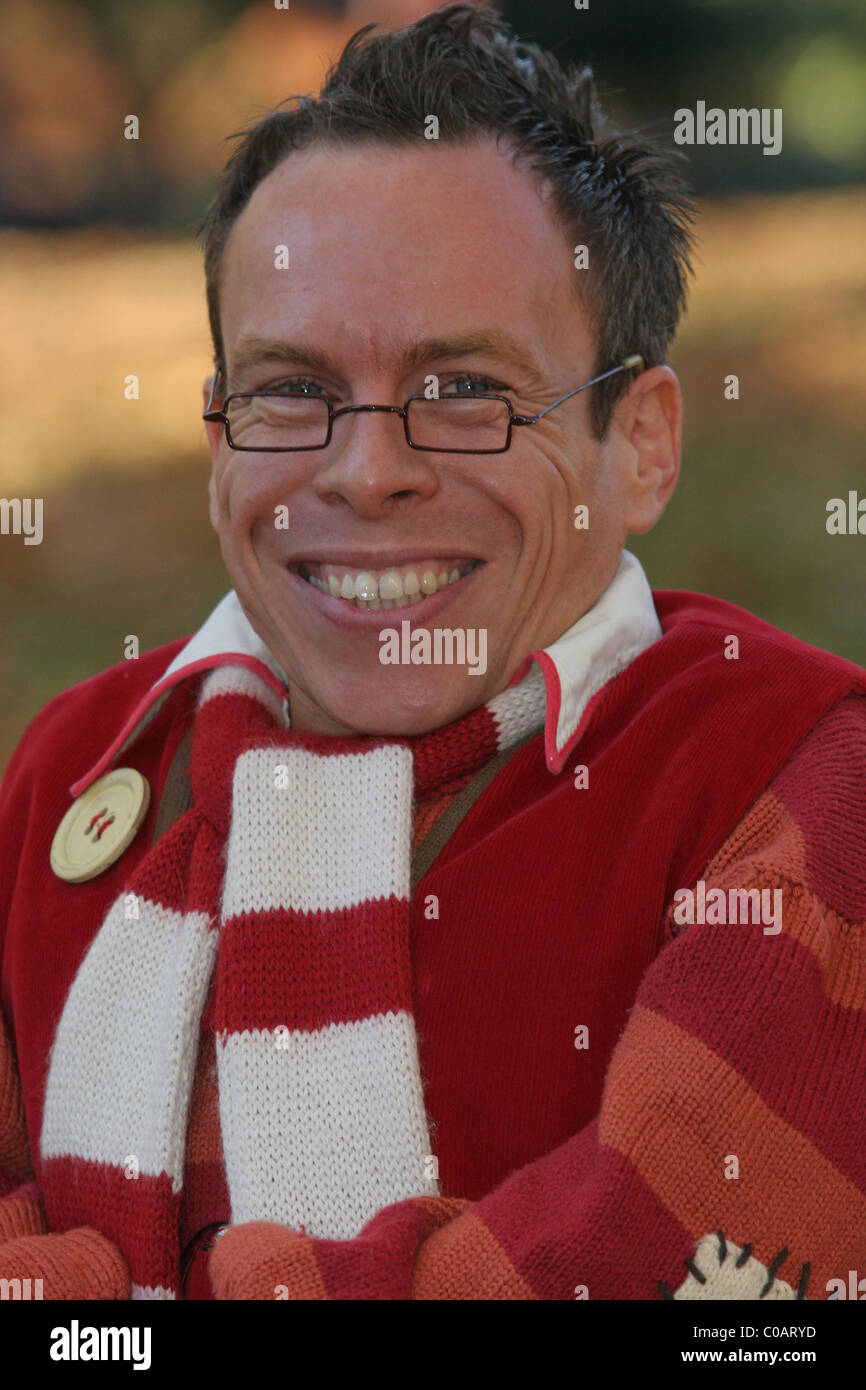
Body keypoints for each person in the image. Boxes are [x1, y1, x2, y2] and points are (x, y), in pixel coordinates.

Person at [1, 3, 864, 1302]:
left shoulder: (794, 775)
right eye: (289, 385)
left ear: (638, 443)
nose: (367, 471)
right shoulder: (74, 768)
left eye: (465, 389)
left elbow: (657, 1268)